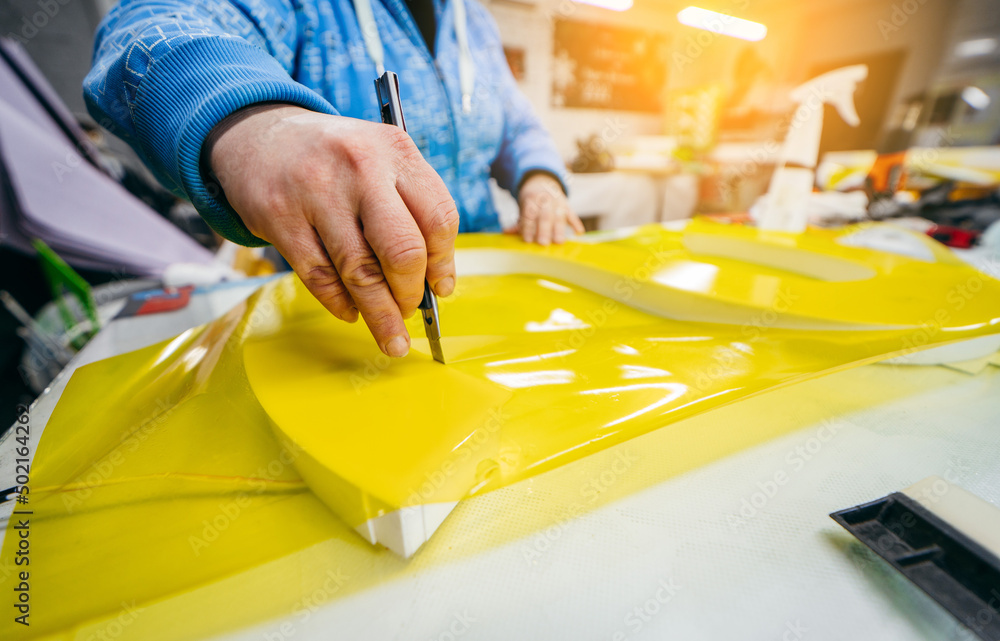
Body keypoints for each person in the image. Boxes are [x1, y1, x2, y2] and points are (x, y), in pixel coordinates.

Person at [84, 0, 583, 359]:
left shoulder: (473, 19)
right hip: (340, 306)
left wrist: (540, 179)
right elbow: (149, 27)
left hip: (486, 287)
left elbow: (514, 122)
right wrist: (259, 123)